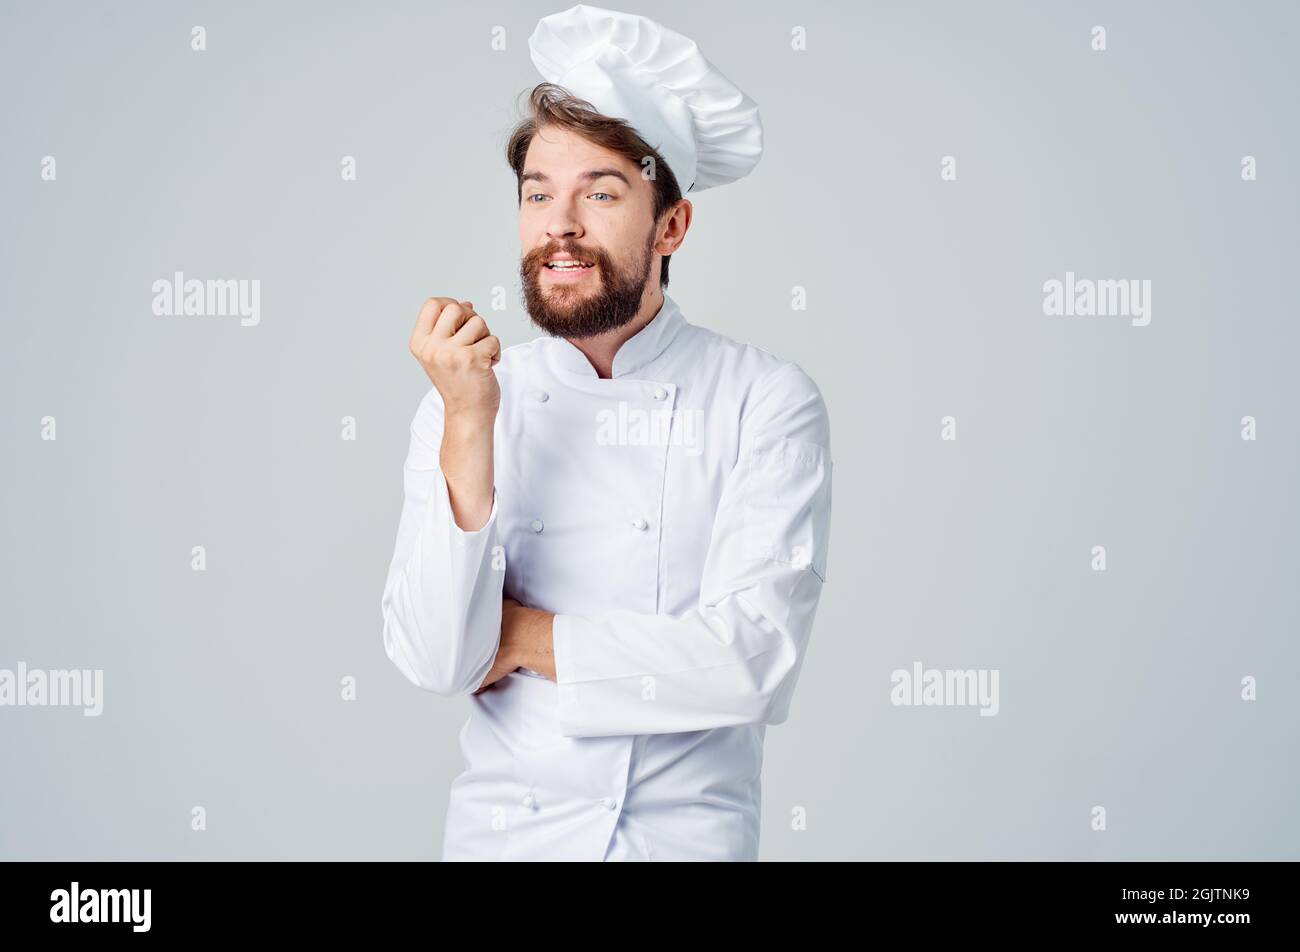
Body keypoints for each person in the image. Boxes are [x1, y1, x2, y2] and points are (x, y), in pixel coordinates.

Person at [380, 3, 832, 861]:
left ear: (672, 226)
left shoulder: (765, 400)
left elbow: (749, 664)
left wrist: (516, 637)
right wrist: (470, 423)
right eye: (539, 193)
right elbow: (439, 660)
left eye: (601, 192)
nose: (561, 224)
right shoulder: (471, 393)